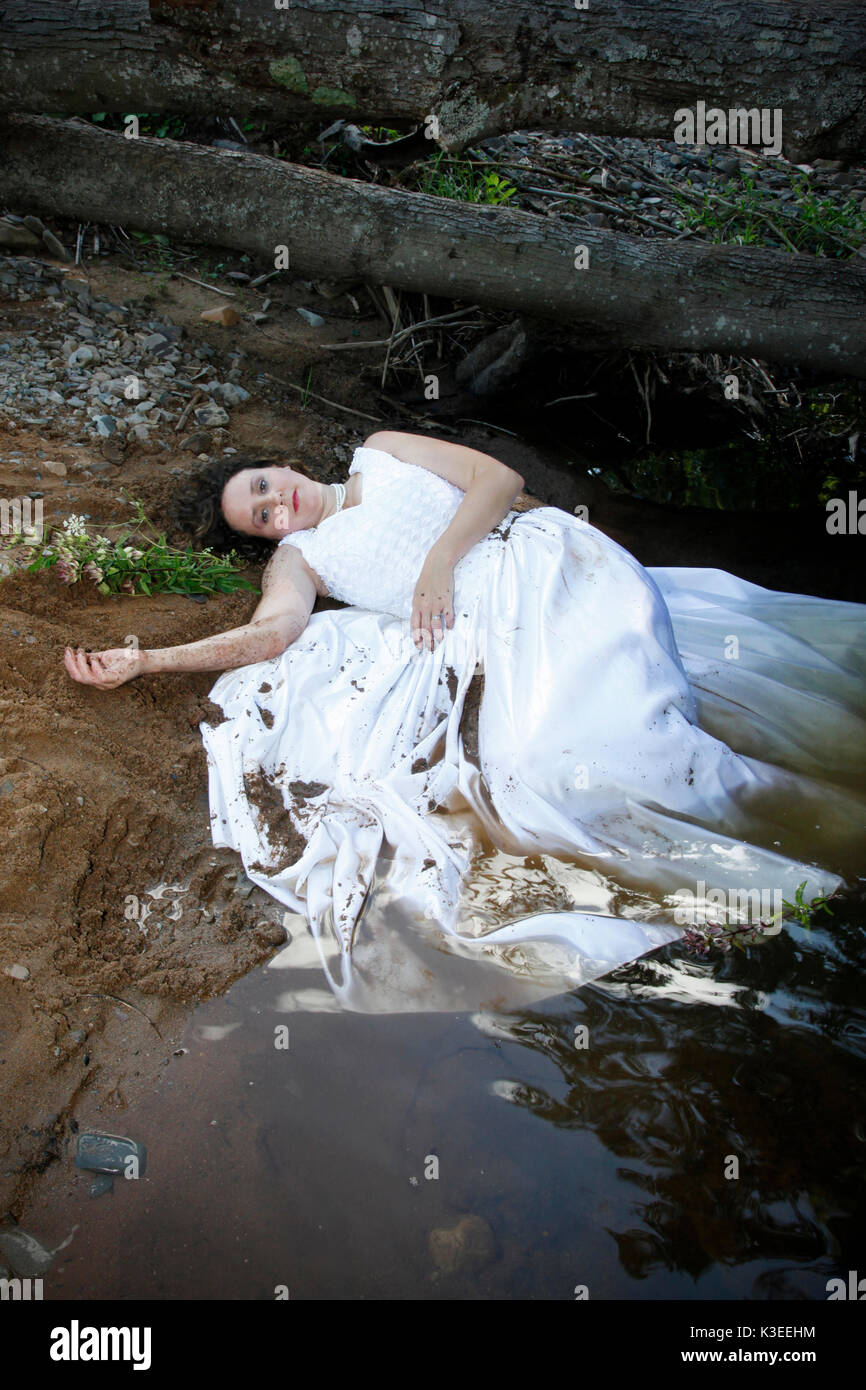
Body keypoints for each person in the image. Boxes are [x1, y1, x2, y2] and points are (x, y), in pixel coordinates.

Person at [64, 432, 866, 1012]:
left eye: (267, 484)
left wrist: (440, 561)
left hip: (544, 564)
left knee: (626, 726)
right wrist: (149, 661)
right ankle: (705, 893)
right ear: (267, 540)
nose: (280, 504)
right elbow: (273, 634)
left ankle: (743, 843)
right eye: (262, 516)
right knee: (531, 772)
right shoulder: (304, 560)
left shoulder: (379, 453)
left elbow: (498, 477)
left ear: (284, 463)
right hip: (490, 631)